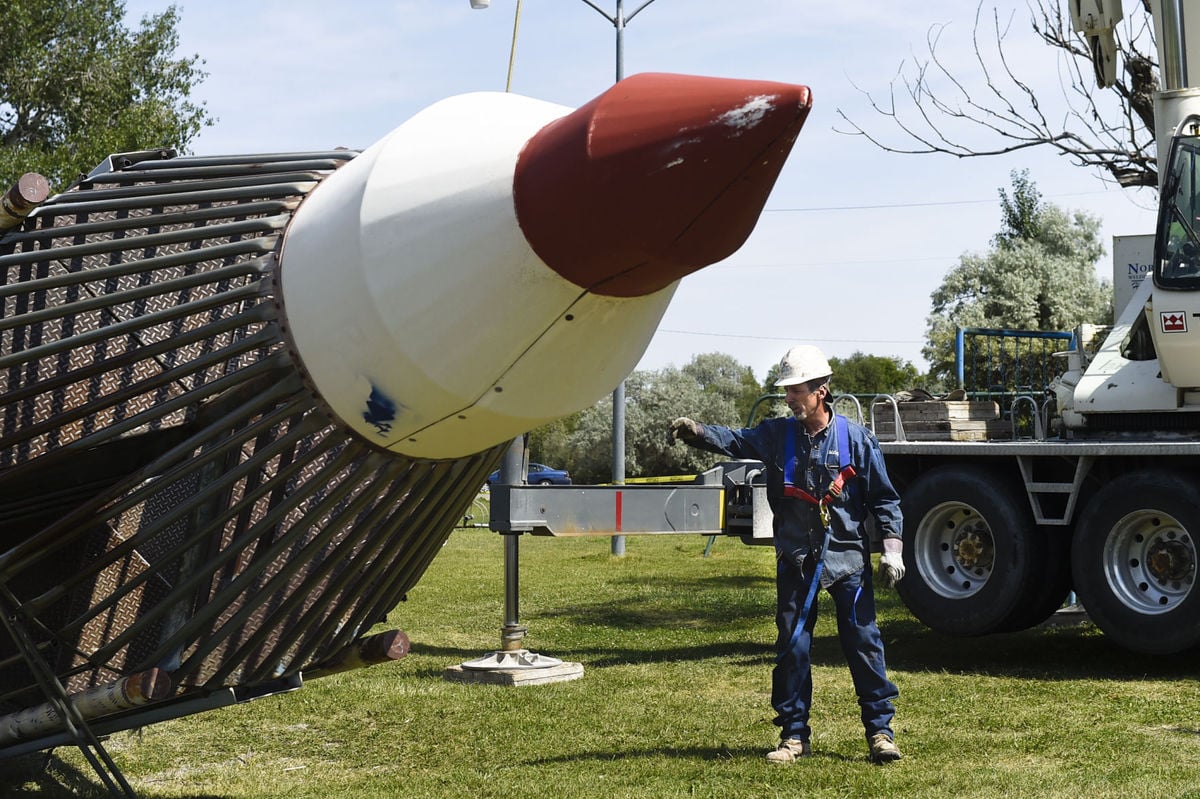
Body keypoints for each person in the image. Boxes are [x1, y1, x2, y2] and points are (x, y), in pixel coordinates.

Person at [668, 344, 906, 764]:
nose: (790, 398)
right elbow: (736, 439)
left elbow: (885, 500)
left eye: (797, 390)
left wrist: (891, 551)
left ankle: (880, 733)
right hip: (797, 560)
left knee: (864, 645)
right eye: (788, 391)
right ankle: (794, 737)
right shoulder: (778, 435)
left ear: (821, 391)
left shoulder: (856, 439)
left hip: (847, 561)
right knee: (792, 648)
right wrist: (700, 433)